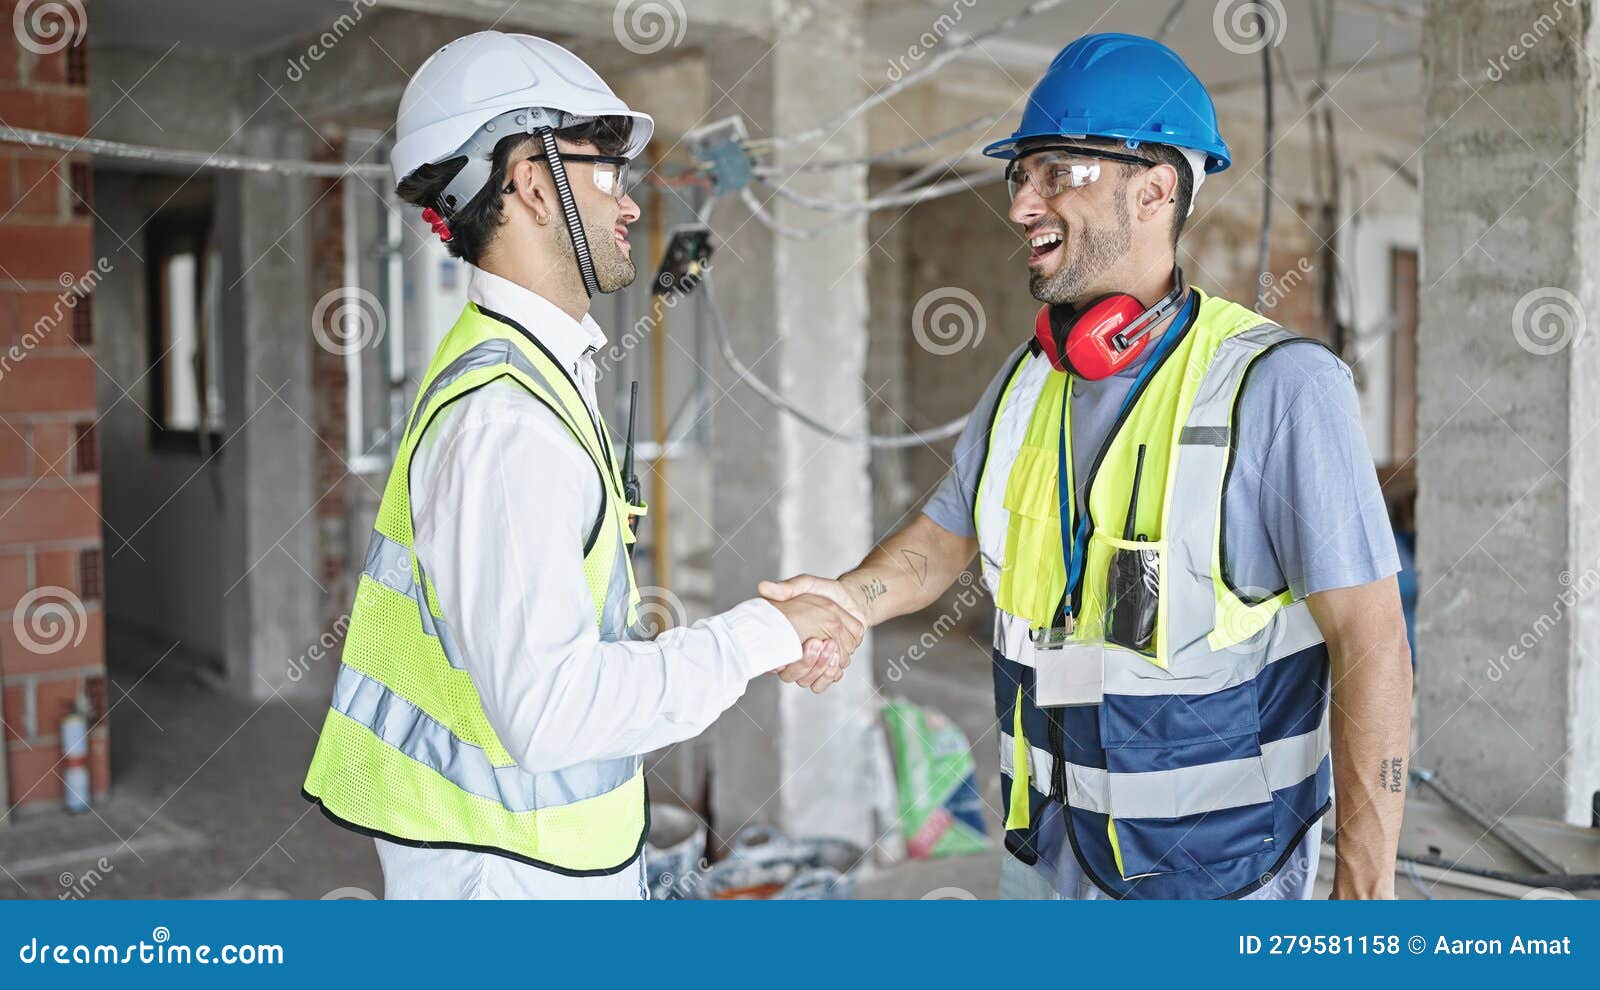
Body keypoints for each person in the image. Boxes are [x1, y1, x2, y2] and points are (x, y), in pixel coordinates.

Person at [763, 33, 1412, 900]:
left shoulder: (1280, 385)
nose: (1022, 205)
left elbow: (1372, 641)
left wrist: (1364, 900)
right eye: (1020, 176)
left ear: (1155, 190)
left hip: (1212, 881)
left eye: (1058, 173)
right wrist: (853, 601)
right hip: (1043, 856)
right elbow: (943, 540)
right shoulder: (1030, 377)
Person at [301, 31, 862, 900]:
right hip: (508, 882)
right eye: (606, 173)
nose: (628, 204)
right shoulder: (506, 422)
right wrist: (764, 634)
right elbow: (552, 711)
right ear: (532, 182)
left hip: (532, 862)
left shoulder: (532, 376)